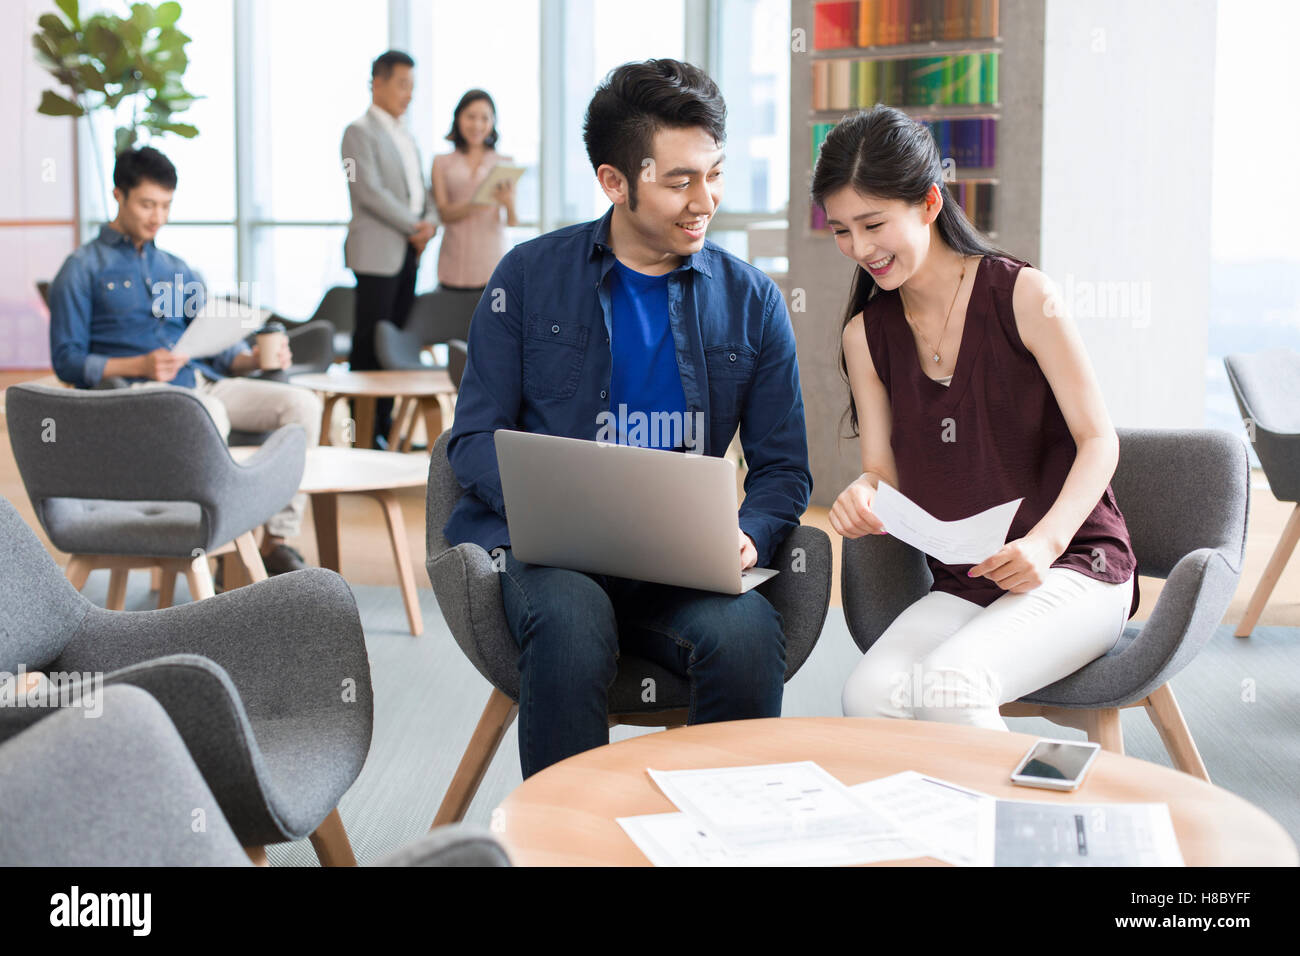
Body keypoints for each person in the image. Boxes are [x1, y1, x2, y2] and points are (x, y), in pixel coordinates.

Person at [445, 59, 811, 777]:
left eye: (714, 174)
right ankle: (567, 847)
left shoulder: (753, 302)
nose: (703, 200)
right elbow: (473, 437)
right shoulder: (525, 279)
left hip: (685, 564)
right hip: (555, 558)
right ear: (615, 182)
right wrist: (551, 507)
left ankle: (713, 838)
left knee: (743, 638)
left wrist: (749, 533)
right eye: (679, 181)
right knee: (572, 626)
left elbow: (783, 467)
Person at [815, 105, 1139, 730]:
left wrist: (1045, 543)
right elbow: (881, 471)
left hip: (1076, 566)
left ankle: (1026, 825)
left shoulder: (1024, 296)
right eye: (841, 231)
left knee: (949, 686)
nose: (860, 249)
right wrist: (861, 495)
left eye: (874, 223)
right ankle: (935, 829)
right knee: (869, 697)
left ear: (930, 203)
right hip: (968, 581)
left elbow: (1099, 440)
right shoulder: (866, 335)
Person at [47, 146, 322, 575]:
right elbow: (67, 360)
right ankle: (219, 533)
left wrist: (251, 358)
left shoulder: (176, 269)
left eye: (166, 206)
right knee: (206, 411)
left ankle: (276, 540)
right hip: (134, 394)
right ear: (118, 196)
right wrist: (137, 365)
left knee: (302, 404)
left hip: (200, 381)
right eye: (147, 204)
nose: (158, 216)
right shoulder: (81, 269)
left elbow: (216, 346)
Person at [341, 49, 438, 446]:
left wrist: (429, 221)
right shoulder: (357, 132)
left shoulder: (406, 136)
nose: (408, 94)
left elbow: (423, 191)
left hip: (409, 252)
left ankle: (389, 427)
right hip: (377, 252)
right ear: (376, 83)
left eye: (412, 86)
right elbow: (368, 192)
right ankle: (364, 432)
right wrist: (414, 225)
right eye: (402, 84)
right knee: (369, 344)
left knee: (393, 342)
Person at [431, 89, 518, 292]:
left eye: (484, 118)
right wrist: (477, 204)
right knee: (450, 321)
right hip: (452, 263)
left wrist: (508, 203)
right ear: (458, 118)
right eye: (470, 117)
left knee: (491, 322)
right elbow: (443, 213)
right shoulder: (441, 162)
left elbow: (513, 220)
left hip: (492, 263)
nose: (477, 125)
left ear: (493, 122)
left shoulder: (504, 164)